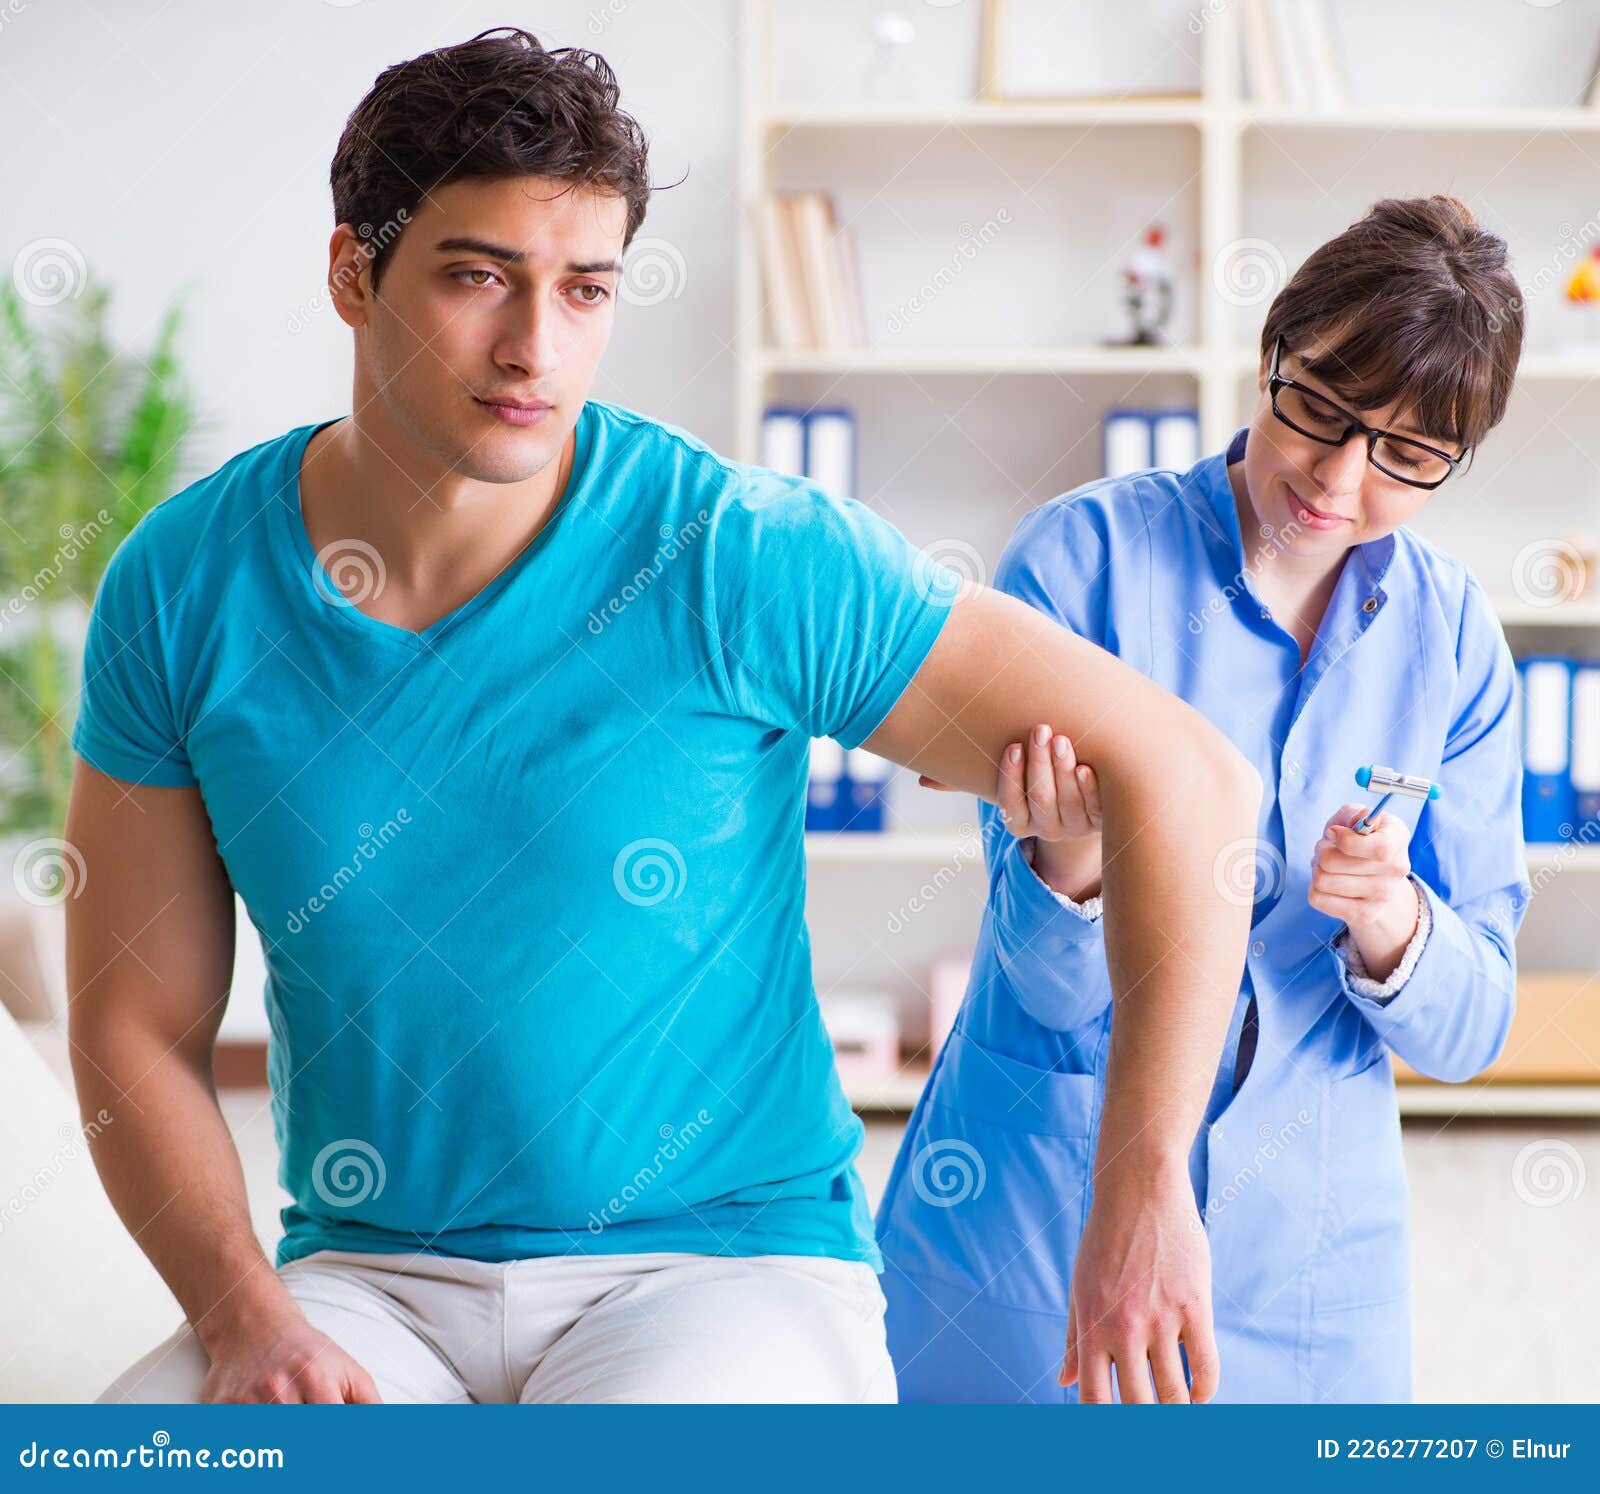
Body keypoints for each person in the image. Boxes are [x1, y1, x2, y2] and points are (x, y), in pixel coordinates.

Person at [68, 29, 1260, 1405]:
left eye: (584, 290)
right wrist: (240, 1312)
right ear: (353, 272)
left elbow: (1188, 775)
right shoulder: (185, 581)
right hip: (368, 1275)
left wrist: (1145, 1184)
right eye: (476, 277)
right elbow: (133, 1028)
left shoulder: (734, 550)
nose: (535, 346)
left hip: (720, 1273)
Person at [877, 196, 1532, 1404]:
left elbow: (1468, 1031)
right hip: (1039, 1218)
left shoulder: (1451, 639)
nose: (1338, 479)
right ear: (1272, 353)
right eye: (1319, 411)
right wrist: (1070, 863)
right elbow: (1046, 984)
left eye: (1405, 456)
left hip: (1308, 1273)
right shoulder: (1080, 564)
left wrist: (1396, 927)